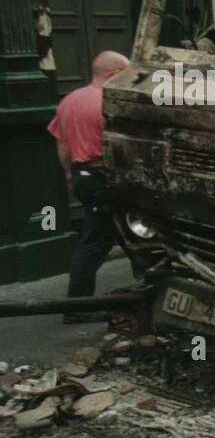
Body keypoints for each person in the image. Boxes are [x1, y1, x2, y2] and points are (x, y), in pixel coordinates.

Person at [47, 50, 131, 321]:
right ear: (115, 74)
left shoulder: (69, 101)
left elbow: (62, 146)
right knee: (95, 243)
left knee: (122, 235)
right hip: (104, 178)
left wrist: (70, 176)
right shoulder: (112, 103)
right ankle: (77, 308)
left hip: (83, 175)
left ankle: (142, 296)